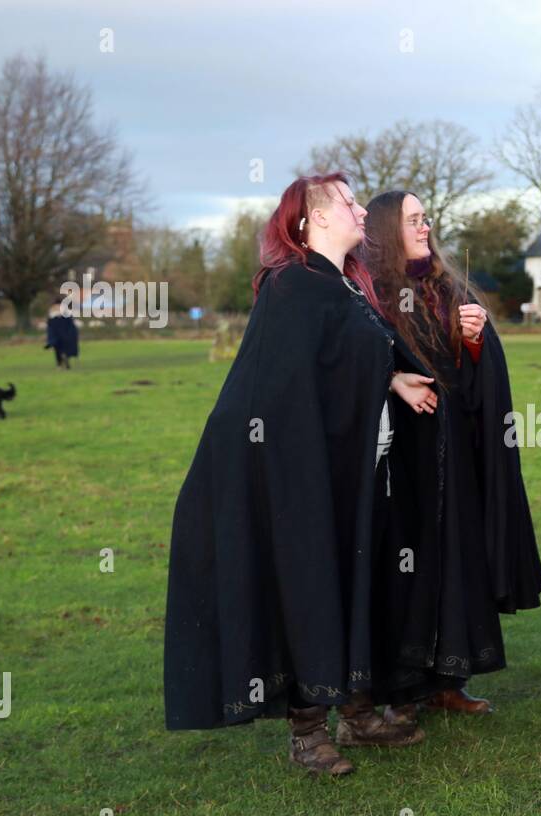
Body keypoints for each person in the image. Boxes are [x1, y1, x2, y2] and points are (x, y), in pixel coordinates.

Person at [164, 172, 446, 776]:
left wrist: (392, 376)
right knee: (309, 587)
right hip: (300, 472)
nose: (363, 211)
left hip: (354, 468)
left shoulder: (341, 284)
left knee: (356, 581)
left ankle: (359, 709)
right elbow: (285, 385)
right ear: (314, 219)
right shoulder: (293, 286)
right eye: (349, 203)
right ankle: (308, 730)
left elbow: (350, 357)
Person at [360, 190, 541, 718]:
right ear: (385, 229)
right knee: (402, 565)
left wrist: (474, 341)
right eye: (412, 220)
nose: (424, 227)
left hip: (454, 454)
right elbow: (353, 359)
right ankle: (398, 689)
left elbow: (472, 377)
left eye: (425, 219)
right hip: (400, 457)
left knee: (453, 561)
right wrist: (391, 377)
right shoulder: (369, 290)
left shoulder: (447, 285)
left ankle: (447, 679)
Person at [45, 301, 79, 368]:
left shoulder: (52, 317)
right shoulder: (66, 315)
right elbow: (72, 327)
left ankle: (60, 363)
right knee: (63, 350)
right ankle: (63, 360)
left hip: (58, 337)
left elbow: (50, 328)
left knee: (59, 350)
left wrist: (50, 339)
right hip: (64, 336)